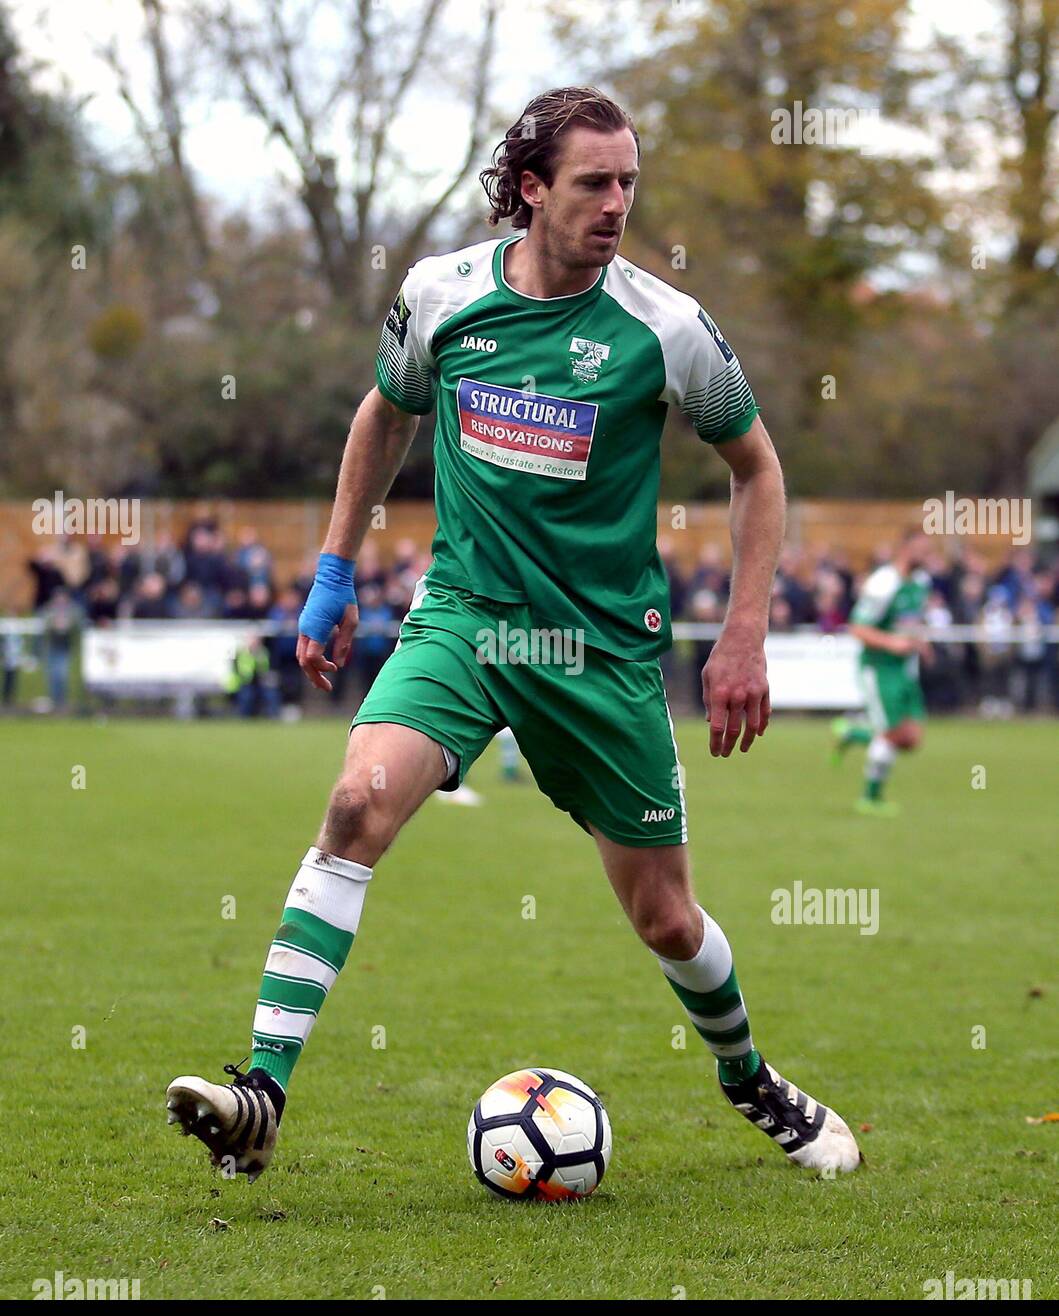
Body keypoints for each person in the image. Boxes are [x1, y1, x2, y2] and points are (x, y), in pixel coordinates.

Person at [167, 86, 861, 1182]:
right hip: (467, 621)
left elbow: (759, 469)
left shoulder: (666, 329)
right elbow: (384, 412)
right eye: (594, 181)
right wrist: (335, 572)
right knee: (355, 802)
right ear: (529, 188)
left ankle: (750, 1079)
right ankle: (260, 1092)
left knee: (669, 919)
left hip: (599, 653)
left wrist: (743, 635)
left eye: (630, 181)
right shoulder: (439, 294)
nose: (618, 203)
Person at [832, 530, 933, 814]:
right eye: (922, 550)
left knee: (911, 738)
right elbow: (857, 627)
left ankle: (853, 732)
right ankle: (870, 798)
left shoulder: (921, 582)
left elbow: (908, 622)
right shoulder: (883, 582)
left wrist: (919, 643)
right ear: (905, 549)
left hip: (904, 670)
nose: (927, 556)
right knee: (891, 734)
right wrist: (892, 643)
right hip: (879, 669)